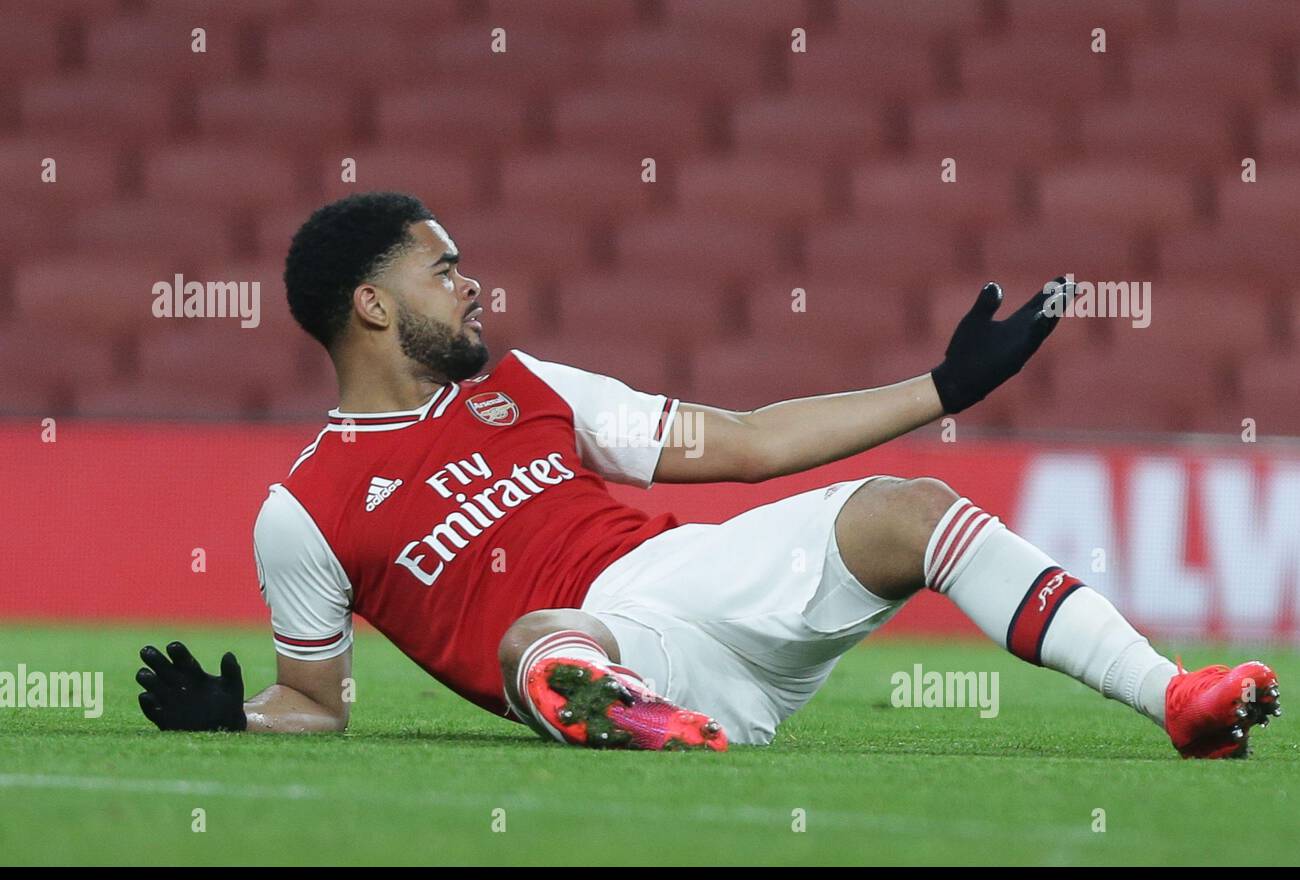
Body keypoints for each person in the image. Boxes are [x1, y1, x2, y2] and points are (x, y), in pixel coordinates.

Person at [136, 192, 1280, 758]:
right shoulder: (305, 509)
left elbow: (741, 441)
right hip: (621, 649)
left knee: (910, 511)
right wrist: (231, 716)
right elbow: (318, 705)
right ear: (371, 304)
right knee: (537, 635)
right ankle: (633, 718)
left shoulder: (530, 385)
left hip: (684, 573)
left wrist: (943, 389)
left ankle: (1172, 699)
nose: (471, 286)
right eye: (445, 271)